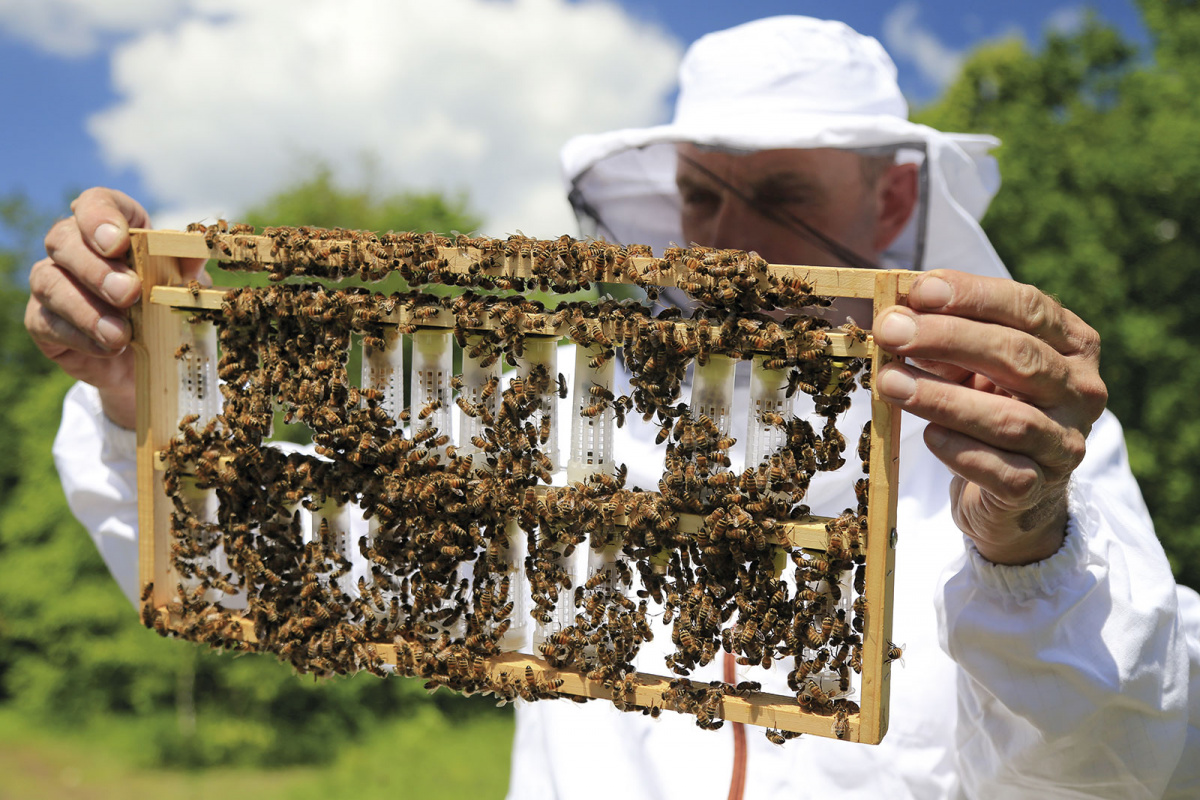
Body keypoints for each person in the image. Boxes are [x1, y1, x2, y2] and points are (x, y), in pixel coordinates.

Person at [26, 15, 1200, 799]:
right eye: (701, 196)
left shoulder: (1023, 441)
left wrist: (1027, 546)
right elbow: (300, 562)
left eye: (782, 195)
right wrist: (152, 398)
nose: (729, 245)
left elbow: (1133, 751)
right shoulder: (576, 416)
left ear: (894, 195)